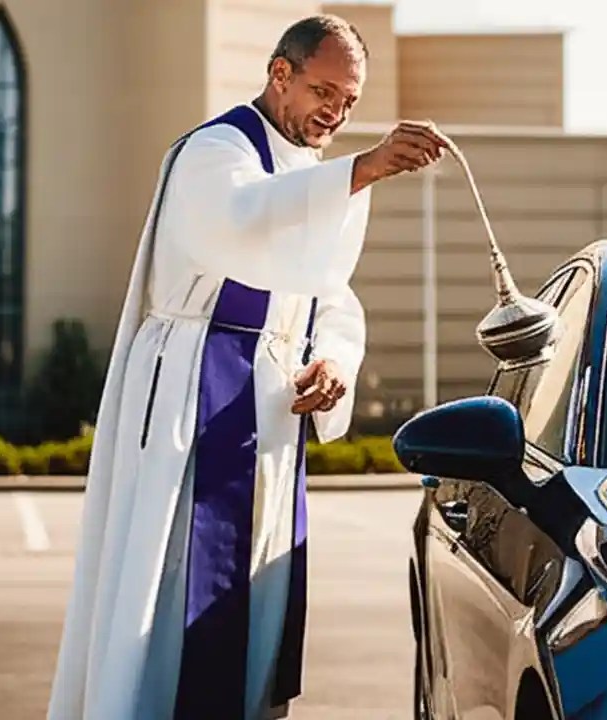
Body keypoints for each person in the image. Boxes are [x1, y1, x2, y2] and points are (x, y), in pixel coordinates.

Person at [46, 14, 447, 720]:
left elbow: (331, 298)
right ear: (279, 73)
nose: (335, 111)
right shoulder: (216, 149)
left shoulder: (314, 178)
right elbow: (241, 224)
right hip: (189, 395)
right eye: (324, 90)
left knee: (253, 598)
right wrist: (363, 169)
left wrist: (334, 361)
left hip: (265, 415)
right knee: (166, 590)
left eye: (349, 102)